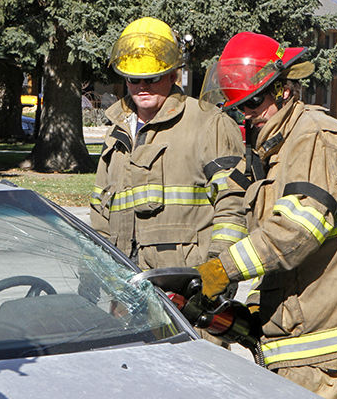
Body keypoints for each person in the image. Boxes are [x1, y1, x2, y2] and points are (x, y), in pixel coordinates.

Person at [196, 32, 337, 399]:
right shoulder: (273, 144)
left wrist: (222, 271)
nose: (246, 114)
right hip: (295, 320)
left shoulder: (314, 138)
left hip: (321, 333)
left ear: (283, 90)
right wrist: (252, 295)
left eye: (253, 101)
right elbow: (249, 216)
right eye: (239, 107)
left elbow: (294, 233)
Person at [90, 17, 247, 272]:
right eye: (134, 79)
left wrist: (217, 270)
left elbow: (234, 205)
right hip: (127, 285)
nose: (142, 87)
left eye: (152, 79)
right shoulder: (117, 132)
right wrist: (93, 273)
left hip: (184, 285)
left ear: (173, 75)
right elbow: (100, 212)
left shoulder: (208, 123)